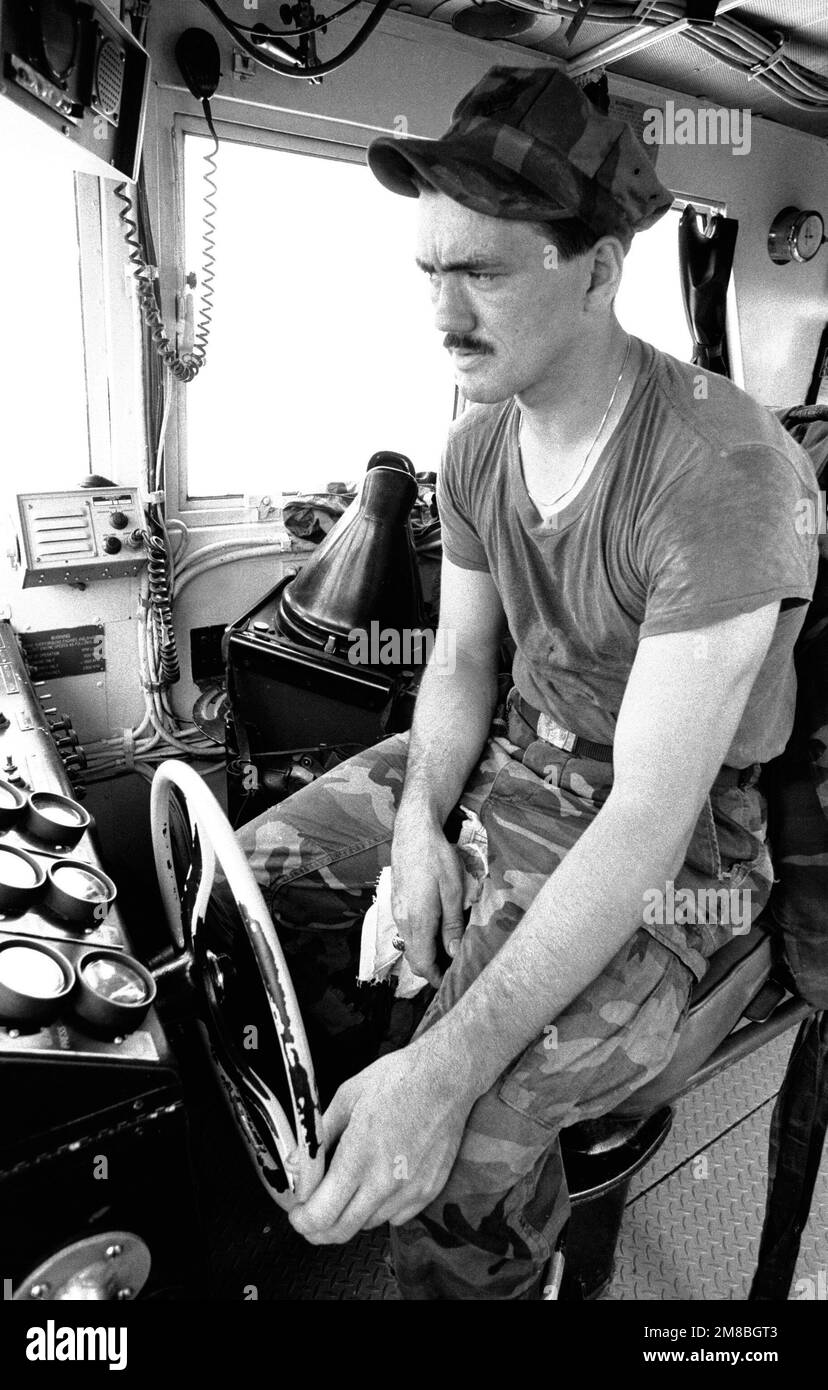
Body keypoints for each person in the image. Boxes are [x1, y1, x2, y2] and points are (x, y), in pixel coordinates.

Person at [226, 65, 819, 1299]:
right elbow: (458, 664)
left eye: (484, 274)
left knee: (458, 1135)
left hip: (676, 854)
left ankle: (481, 1264)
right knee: (261, 879)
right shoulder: (476, 441)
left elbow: (650, 821)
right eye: (429, 272)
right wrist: (415, 824)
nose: (443, 314)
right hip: (514, 759)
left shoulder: (721, 469)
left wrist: (441, 1071)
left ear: (600, 270)